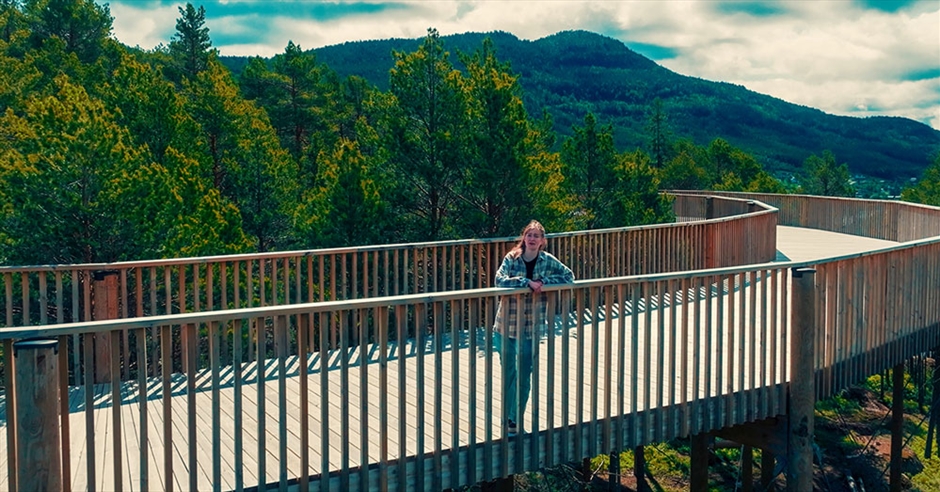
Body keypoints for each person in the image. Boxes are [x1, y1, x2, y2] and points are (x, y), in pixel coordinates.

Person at [493, 220, 574, 435]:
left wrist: (545, 281)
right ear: (524, 238)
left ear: (542, 241)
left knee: (524, 374)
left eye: (536, 236)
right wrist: (526, 283)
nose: (532, 239)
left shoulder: (547, 261)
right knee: (509, 373)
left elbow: (569, 276)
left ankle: (514, 418)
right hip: (505, 325)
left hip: (530, 327)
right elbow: (499, 281)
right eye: (529, 234)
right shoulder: (512, 258)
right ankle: (508, 416)